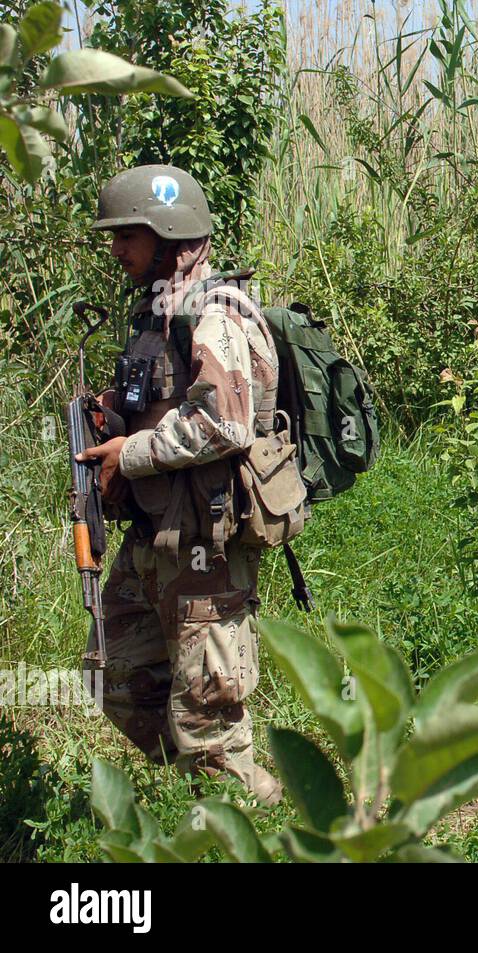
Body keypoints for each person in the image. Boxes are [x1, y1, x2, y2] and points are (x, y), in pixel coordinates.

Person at [77, 164, 282, 802]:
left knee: (207, 716)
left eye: (127, 235)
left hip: (204, 544)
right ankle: (197, 796)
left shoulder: (214, 312)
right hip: (153, 537)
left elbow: (226, 424)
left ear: (169, 234)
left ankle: (243, 814)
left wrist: (129, 453)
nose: (116, 250)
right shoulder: (157, 315)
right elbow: (172, 402)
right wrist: (115, 412)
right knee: (118, 679)